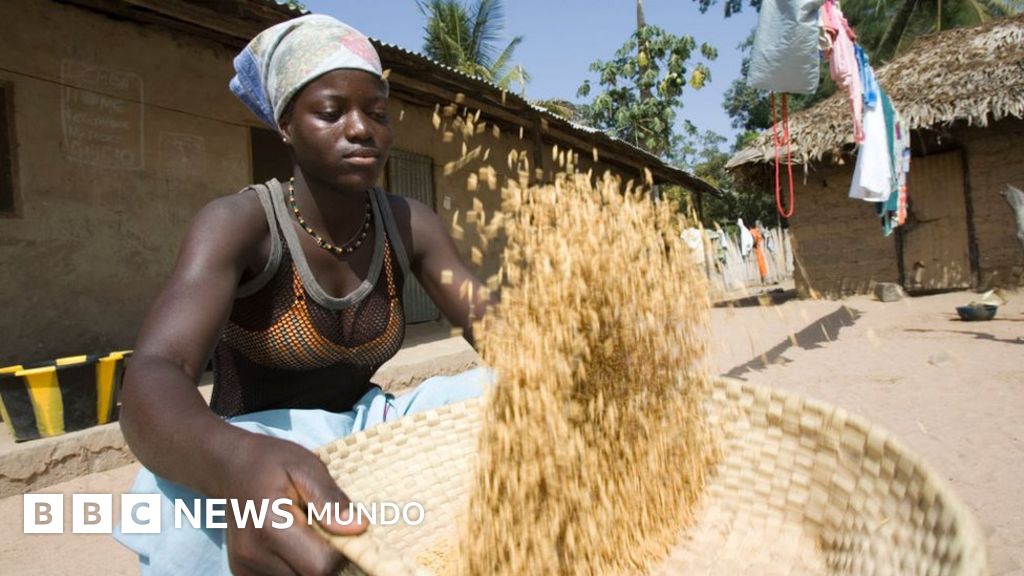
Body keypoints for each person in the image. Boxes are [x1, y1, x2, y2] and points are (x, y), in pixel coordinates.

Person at [114, 15, 492, 575]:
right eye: (332, 112)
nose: (362, 129)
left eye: (378, 112)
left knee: (513, 394)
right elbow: (153, 375)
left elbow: (500, 328)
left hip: (368, 431)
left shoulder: (410, 223)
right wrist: (236, 462)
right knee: (178, 486)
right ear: (286, 126)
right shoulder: (240, 224)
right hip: (257, 447)